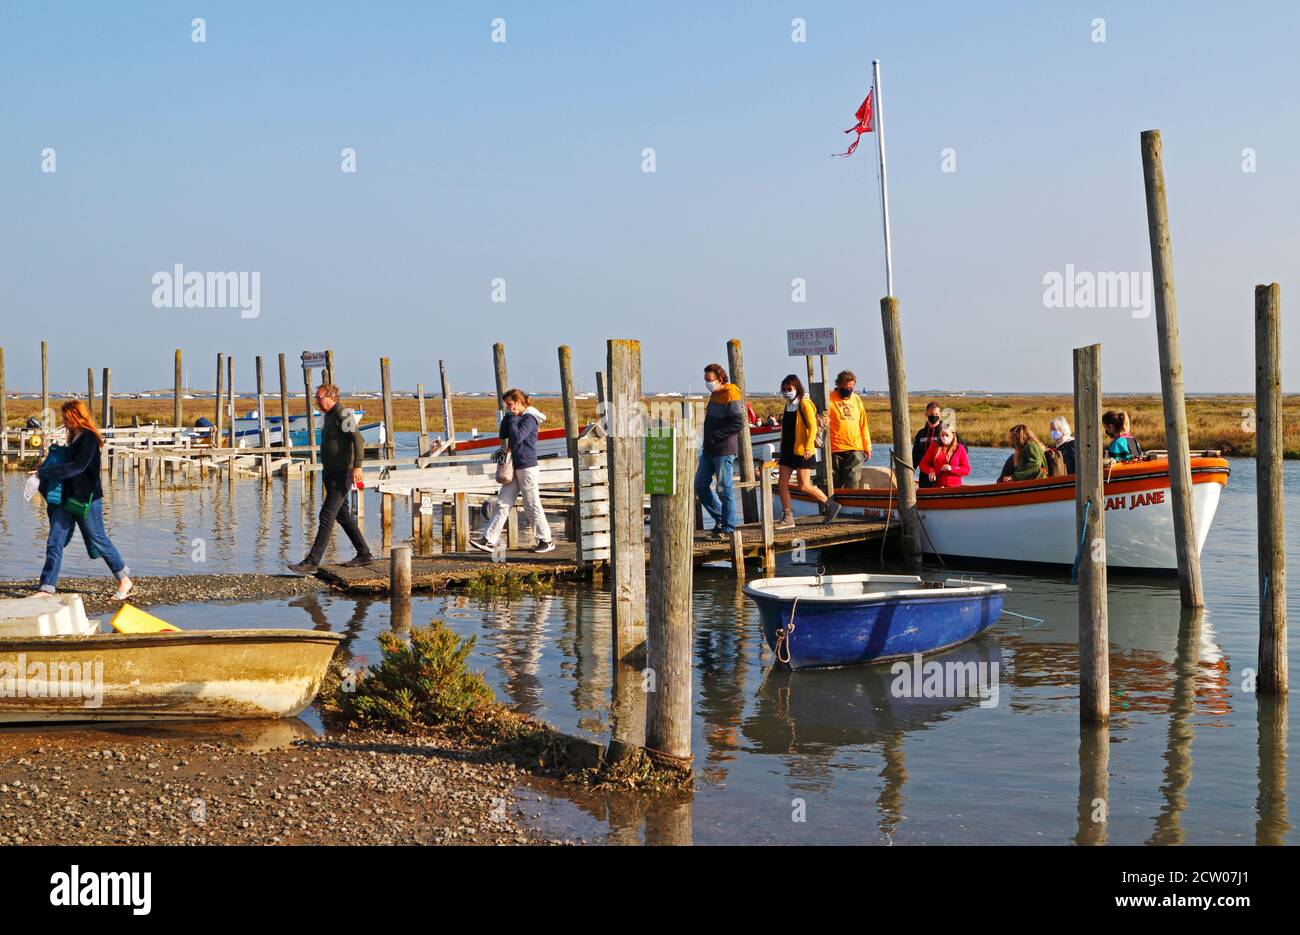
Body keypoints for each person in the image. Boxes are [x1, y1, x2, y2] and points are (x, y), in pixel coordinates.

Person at [31, 400, 133, 599]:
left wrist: (46, 472)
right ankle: (46, 588)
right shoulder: (73, 438)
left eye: (67, 418)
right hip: (66, 498)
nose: (64, 421)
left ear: (77, 416)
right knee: (55, 541)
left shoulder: (89, 438)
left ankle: (124, 579)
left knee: (98, 539)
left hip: (87, 499)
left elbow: (78, 467)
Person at [289, 384, 374, 574]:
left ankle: (312, 561)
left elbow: (358, 440)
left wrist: (357, 466)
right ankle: (364, 554)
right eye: (316, 398)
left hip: (343, 473)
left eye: (319, 398)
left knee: (326, 515)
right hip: (331, 472)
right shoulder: (328, 416)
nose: (317, 402)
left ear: (331, 397)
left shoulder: (342, 413)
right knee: (342, 515)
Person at [471, 389, 554, 554]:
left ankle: (546, 540)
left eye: (510, 404)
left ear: (518, 402)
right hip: (513, 467)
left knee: (531, 504)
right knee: (503, 503)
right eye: (506, 405)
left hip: (527, 467)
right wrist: (508, 417)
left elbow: (517, 437)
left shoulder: (529, 418)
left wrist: (514, 418)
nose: (508, 408)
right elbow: (503, 434)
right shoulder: (515, 417)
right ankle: (489, 540)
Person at [774, 375, 832, 528]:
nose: (787, 392)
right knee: (782, 482)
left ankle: (830, 504)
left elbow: (812, 427)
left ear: (797, 388)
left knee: (804, 485)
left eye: (790, 389)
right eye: (784, 390)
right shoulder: (788, 405)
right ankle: (787, 516)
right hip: (787, 450)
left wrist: (808, 447)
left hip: (802, 451)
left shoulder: (804, 403)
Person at [695, 363, 744, 539]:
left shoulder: (731, 393)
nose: (707, 383)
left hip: (724, 450)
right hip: (708, 450)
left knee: (724, 488)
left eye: (710, 380)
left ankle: (728, 528)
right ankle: (721, 519)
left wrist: (716, 435)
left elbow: (738, 423)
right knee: (700, 485)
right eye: (706, 380)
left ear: (720, 379)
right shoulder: (714, 395)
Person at [818, 370, 870, 497]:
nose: (849, 390)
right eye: (846, 388)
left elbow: (863, 424)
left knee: (853, 483)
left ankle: (852, 508)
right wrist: (821, 419)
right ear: (839, 385)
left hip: (855, 449)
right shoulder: (829, 399)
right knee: (835, 484)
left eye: (851, 388)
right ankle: (834, 506)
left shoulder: (857, 400)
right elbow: (818, 419)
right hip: (834, 449)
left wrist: (867, 446)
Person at [912, 402, 960, 488]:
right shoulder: (921, 434)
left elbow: (962, 450)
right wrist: (909, 473)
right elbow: (914, 456)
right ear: (926, 414)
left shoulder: (947, 431)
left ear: (940, 415)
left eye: (936, 414)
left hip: (943, 475)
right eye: (931, 414)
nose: (933, 416)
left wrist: (951, 466)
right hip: (925, 475)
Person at [918, 422, 970, 487]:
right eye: (942, 435)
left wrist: (951, 468)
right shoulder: (934, 446)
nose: (944, 438)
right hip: (938, 486)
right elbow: (923, 464)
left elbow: (966, 469)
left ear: (953, 435)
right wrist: (931, 471)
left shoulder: (960, 448)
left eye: (947, 435)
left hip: (955, 487)